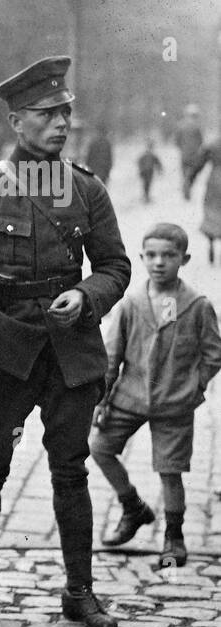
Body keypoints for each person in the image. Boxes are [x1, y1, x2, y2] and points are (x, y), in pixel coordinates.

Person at [0, 55, 131, 627]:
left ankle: (80, 592)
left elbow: (115, 266)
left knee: (70, 470)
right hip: (3, 349)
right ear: (16, 122)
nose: (61, 123)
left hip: (69, 351)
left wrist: (86, 294)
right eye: (46, 114)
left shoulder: (86, 188)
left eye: (65, 112)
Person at [92, 224, 221, 568]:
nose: (159, 262)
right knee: (99, 447)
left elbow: (213, 354)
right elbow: (111, 356)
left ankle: (174, 537)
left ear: (184, 259)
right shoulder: (131, 304)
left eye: (168, 255)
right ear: (142, 258)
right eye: (151, 255)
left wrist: (193, 388)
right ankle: (132, 507)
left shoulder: (196, 305)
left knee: (170, 471)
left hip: (174, 404)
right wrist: (101, 400)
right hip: (129, 397)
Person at [187, 137, 221, 264]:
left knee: (212, 212)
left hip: (215, 182)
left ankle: (211, 240)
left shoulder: (213, 145)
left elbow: (198, 164)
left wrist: (190, 179)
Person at [174, 104, 204, 200]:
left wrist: (182, 148)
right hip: (194, 154)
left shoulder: (181, 126)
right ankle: (188, 188)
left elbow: (176, 141)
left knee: (185, 173)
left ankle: (186, 188)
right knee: (192, 173)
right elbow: (201, 141)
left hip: (184, 154)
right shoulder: (197, 127)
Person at [136, 138, 162, 203]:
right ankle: (146, 196)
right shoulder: (147, 155)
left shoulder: (149, 155)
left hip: (148, 172)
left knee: (147, 184)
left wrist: (160, 169)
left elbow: (157, 163)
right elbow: (139, 162)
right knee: (146, 184)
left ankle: (146, 196)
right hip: (146, 172)